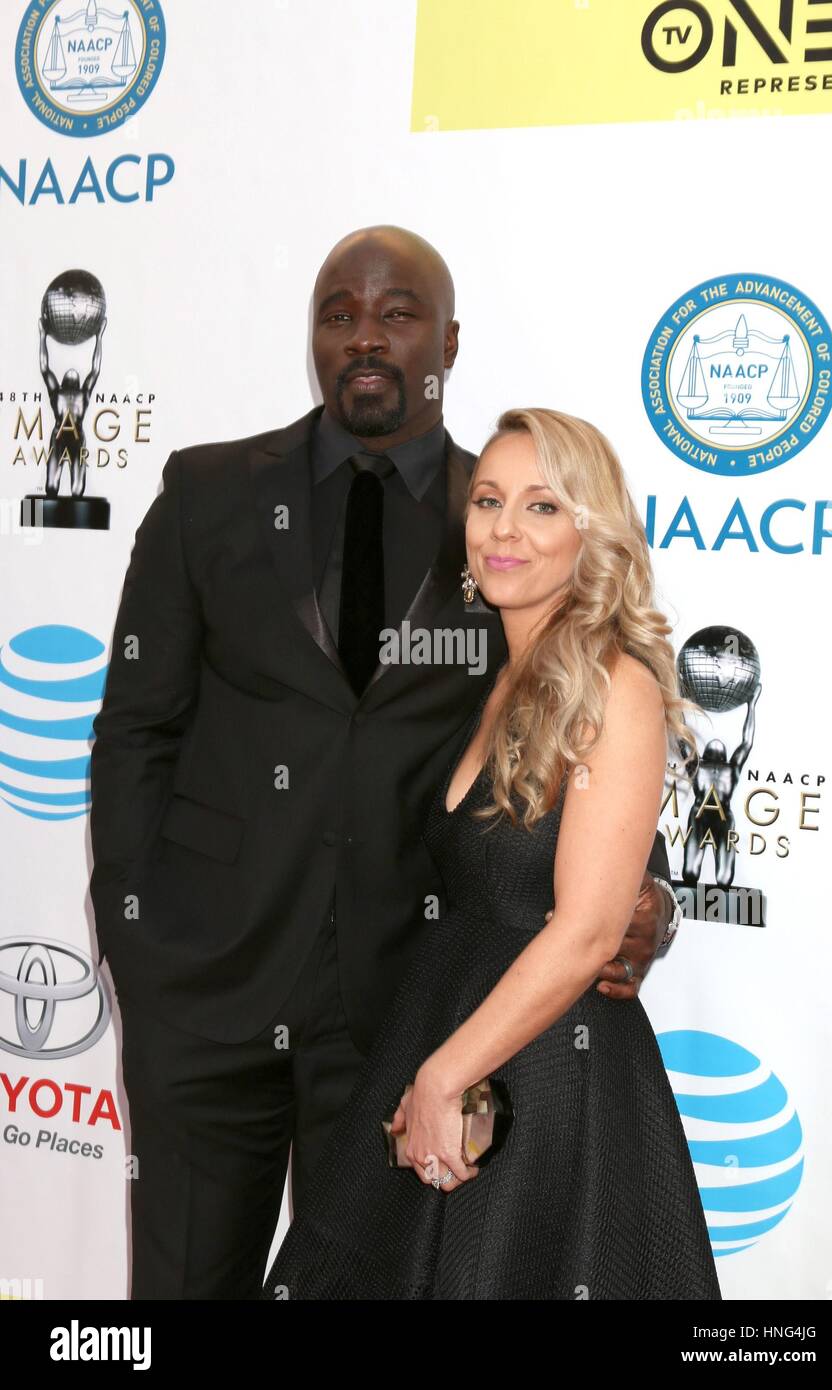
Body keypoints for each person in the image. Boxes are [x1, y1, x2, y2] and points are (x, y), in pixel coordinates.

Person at [88, 226, 679, 1300]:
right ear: (312, 337)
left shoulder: (494, 519)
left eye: (397, 314)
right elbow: (136, 729)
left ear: (447, 340)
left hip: (403, 1008)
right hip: (206, 992)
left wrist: (641, 888)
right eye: (338, 313)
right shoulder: (209, 492)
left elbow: (576, 718)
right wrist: (139, 945)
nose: (366, 336)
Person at [261, 408, 721, 1301]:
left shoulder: (614, 685)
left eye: (543, 506)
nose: (505, 528)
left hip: (542, 1073)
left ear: (593, 534)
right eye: (488, 500)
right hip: (444, 1028)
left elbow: (589, 929)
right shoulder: (491, 671)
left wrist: (444, 1075)